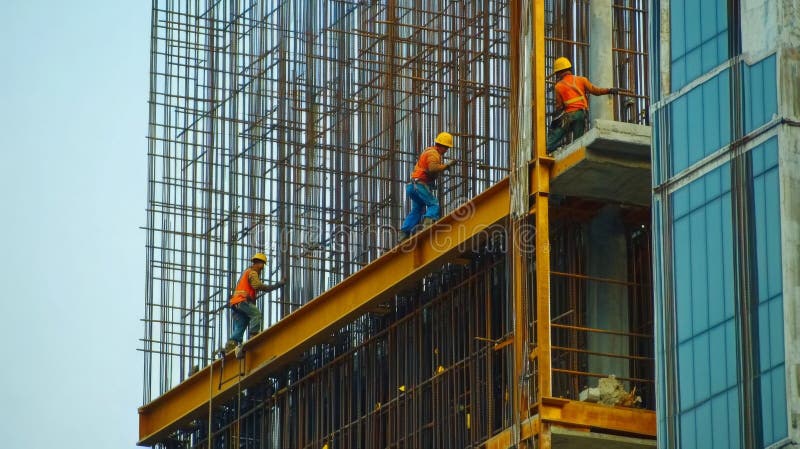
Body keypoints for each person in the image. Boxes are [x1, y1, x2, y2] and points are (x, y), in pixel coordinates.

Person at [546, 57, 620, 153]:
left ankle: (551, 147)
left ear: (558, 73)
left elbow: (560, 106)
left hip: (568, 116)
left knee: (554, 137)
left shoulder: (558, 86)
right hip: (581, 114)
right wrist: (609, 90)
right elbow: (595, 90)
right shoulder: (582, 80)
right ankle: (576, 152)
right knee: (578, 142)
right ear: (569, 69)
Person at [398, 132, 456, 241]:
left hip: (412, 186)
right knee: (434, 204)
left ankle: (404, 232)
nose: (447, 150)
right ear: (441, 146)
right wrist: (446, 165)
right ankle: (427, 225)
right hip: (419, 185)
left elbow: (427, 171)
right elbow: (432, 168)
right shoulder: (433, 153)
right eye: (446, 147)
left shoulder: (427, 152)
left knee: (418, 208)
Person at [224, 253, 285, 353]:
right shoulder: (252, 272)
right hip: (242, 301)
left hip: (235, 303)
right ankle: (253, 336)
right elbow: (257, 285)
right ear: (260, 263)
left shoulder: (246, 272)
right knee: (256, 314)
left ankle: (230, 346)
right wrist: (276, 285)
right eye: (262, 265)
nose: (262, 268)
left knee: (241, 324)